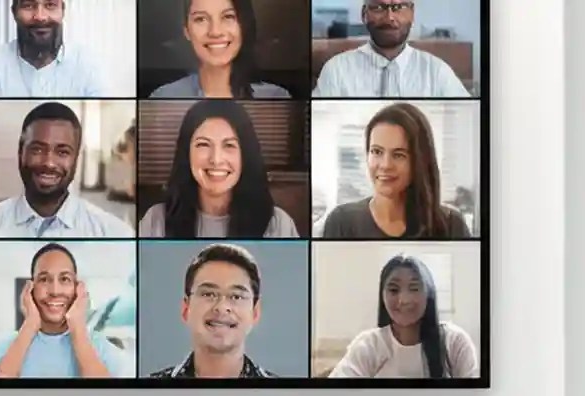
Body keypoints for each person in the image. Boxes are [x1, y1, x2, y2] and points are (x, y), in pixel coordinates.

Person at [0, 103, 133, 238]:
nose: (49, 163)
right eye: (37, 150)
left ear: (76, 158)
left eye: (62, 152)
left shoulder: (114, 233)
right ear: (20, 152)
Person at [138, 99, 299, 238]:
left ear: (245, 155)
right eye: (203, 144)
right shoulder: (156, 220)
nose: (216, 159)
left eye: (229, 145)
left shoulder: (277, 224)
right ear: (186, 153)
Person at [0, 243, 132, 378]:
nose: (55, 290)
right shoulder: (0, 350)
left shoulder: (104, 351)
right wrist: (30, 324)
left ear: (77, 289)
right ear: (30, 289)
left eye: (65, 279)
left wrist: (78, 327)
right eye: (44, 279)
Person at [321, 103, 470, 238]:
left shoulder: (451, 225)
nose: (385, 165)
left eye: (399, 155)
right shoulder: (342, 222)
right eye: (377, 152)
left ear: (420, 160)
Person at [327, 254, 477, 378]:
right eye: (393, 290)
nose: (404, 300)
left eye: (414, 288)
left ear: (429, 294)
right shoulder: (369, 346)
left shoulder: (454, 342)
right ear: (382, 296)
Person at [151, 244, 277, 378]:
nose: (222, 307)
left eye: (236, 296)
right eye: (208, 294)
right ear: (186, 308)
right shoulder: (148, 394)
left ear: (255, 312)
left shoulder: (281, 395)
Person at [313, 2, 468, 98]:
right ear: (363, 14)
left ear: (412, 13)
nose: (389, 18)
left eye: (399, 7)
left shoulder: (437, 72)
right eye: (379, 7)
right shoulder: (336, 70)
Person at [149, 0, 290, 99]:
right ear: (186, 31)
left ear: (244, 26)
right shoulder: (164, 96)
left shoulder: (275, 96)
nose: (215, 32)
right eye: (201, 19)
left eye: (228, 16)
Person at [0, 0, 107, 97]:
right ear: (14, 12)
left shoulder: (89, 65)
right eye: (28, 5)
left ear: (62, 11)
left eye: (50, 5)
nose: (40, 16)